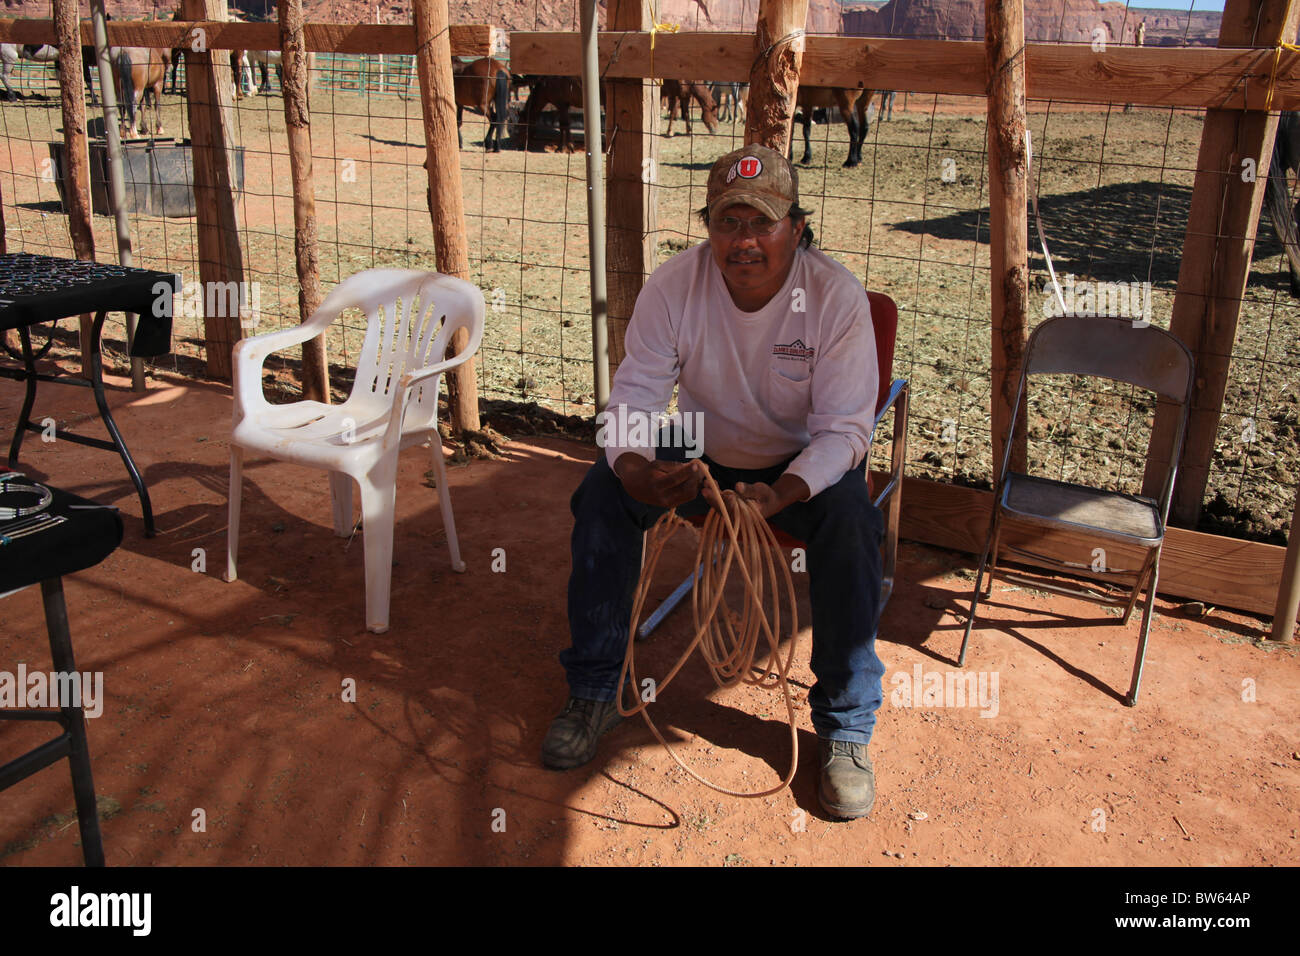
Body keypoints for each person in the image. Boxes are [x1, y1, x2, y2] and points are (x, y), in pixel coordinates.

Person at [542, 143, 886, 819]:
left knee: (851, 521)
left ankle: (845, 725)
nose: (745, 241)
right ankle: (594, 689)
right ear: (708, 227)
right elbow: (635, 401)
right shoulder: (675, 284)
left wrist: (785, 491)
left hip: (795, 459)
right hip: (701, 446)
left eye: (762, 223)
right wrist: (641, 468)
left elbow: (846, 430)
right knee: (604, 493)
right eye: (728, 222)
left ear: (797, 227)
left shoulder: (835, 297)